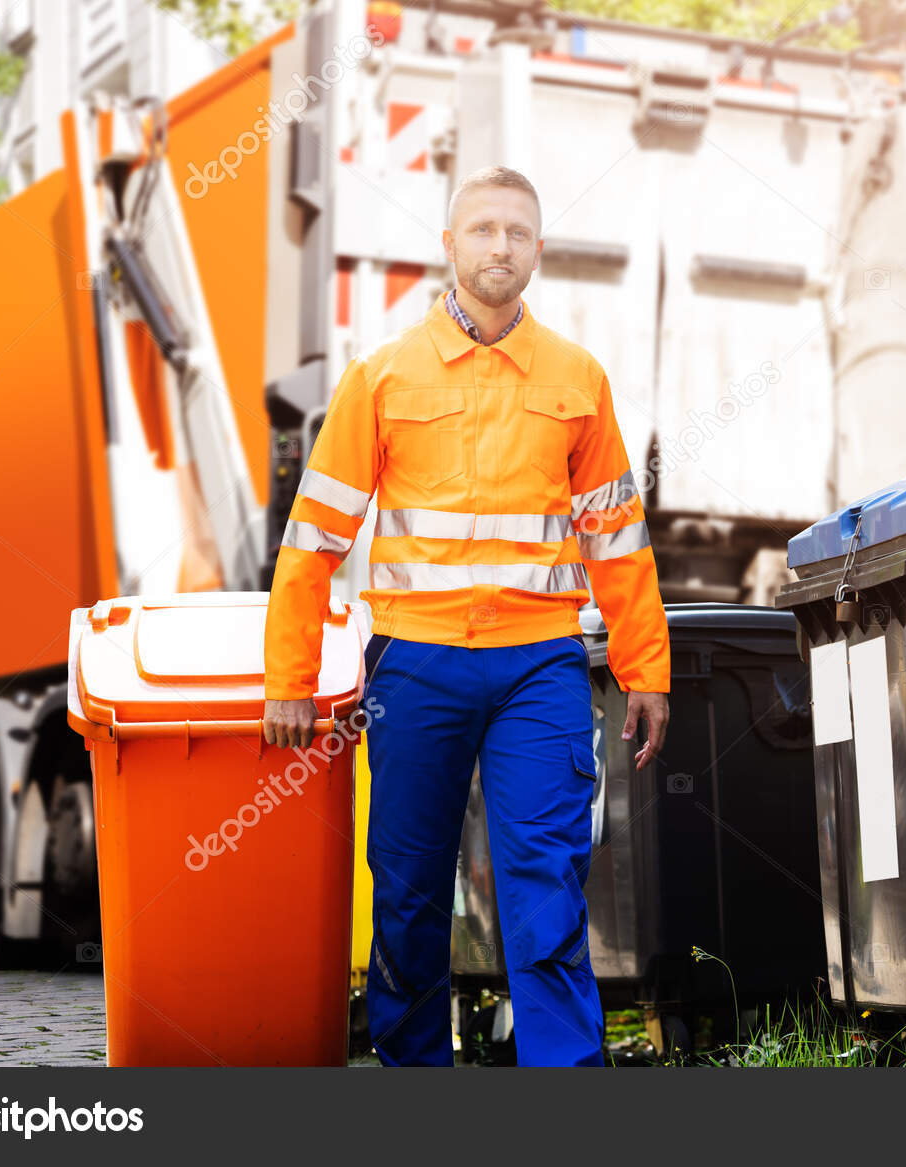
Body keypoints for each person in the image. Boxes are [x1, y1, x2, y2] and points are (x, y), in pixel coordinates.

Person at [262, 165, 670, 1066]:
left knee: (546, 885)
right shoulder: (383, 377)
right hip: (416, 662)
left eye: (518, 233)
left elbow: (618, 539)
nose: (501, 247)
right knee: (408, 889)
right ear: (449, 246)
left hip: (540, 667)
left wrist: (646, 669)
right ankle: (415, 1075)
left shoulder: (576, 378)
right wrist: (288, 677)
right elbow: (312, 541)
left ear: (537, 249)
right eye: (482, 230)